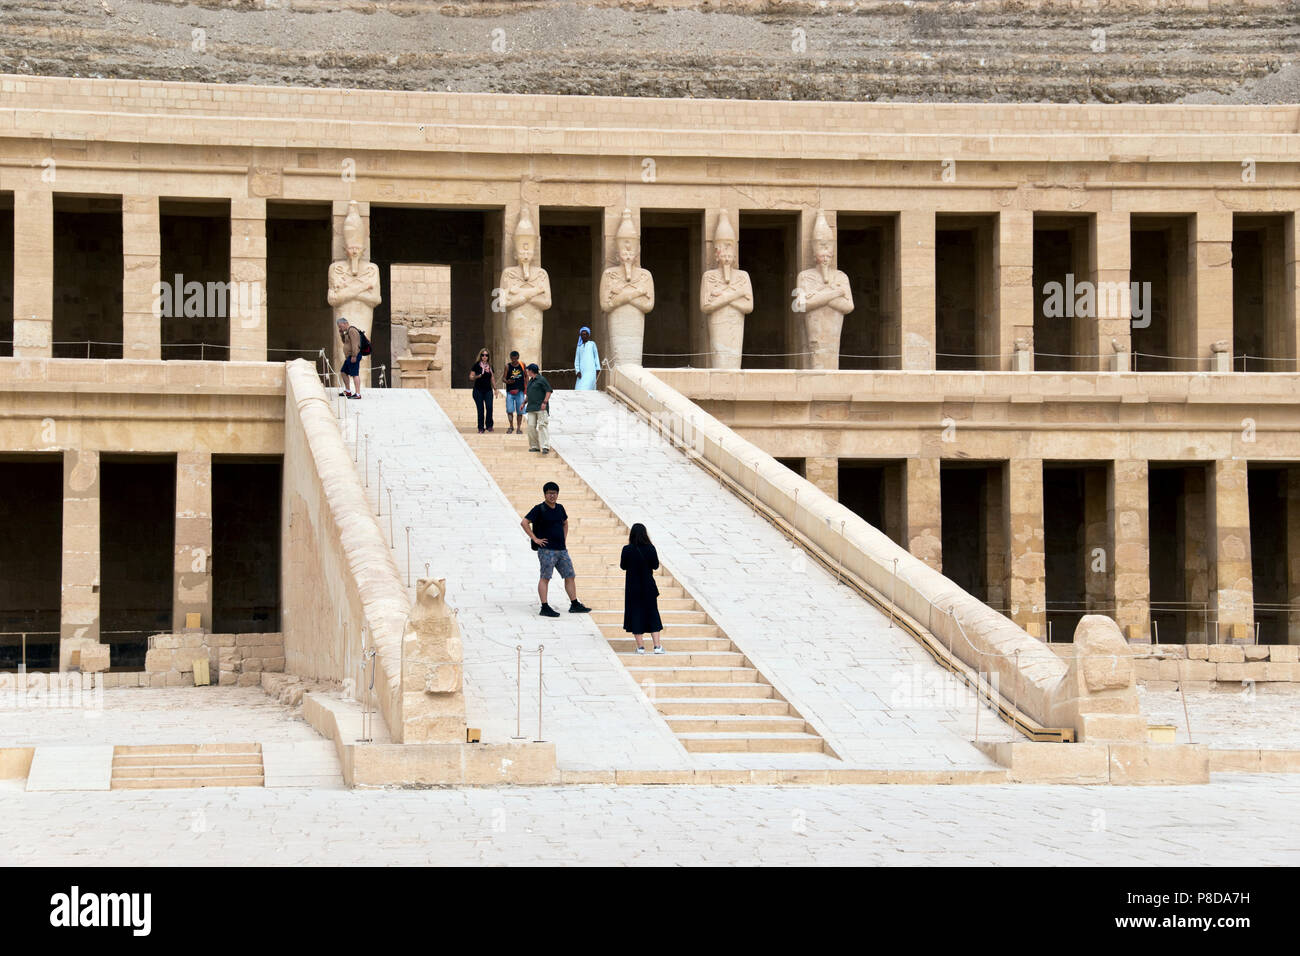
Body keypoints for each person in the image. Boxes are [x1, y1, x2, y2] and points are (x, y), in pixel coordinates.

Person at [521, 481, 591, 618]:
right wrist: (535, 539)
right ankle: (545, 606)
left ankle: (574, 604)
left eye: (554, 493)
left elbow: (565, 523)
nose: (552, 496)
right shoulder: (539, 508)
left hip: (561, 549)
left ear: (558, 494)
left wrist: (564, 538)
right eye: (549, 493)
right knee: (545, 577)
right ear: (545, 494)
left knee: (570, 575)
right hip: (546, 550)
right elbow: (524, 522)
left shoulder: (560, 508)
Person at [621, 523, 664, 654]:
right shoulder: (651, 548)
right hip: (648, 587)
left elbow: (623, 566)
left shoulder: (627, 549)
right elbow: (655, 566)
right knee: (652, 614)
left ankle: (640, 647)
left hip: (633, 588)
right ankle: (657, 646)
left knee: (635, 615)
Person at [468, 347, 501, 433]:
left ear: (488, 356)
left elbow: (492, 378)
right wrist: (477, 376)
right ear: (480, 356)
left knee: (489, 407)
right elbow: (470, 377)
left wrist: (495, 389)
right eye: (483, 355)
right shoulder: (476, 365)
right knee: (480, 409)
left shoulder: (490, 366)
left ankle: (489, 425)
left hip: (488, 390)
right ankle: (480, 427)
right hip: (478, 390)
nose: (484, 357)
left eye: (486, 355)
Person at [524, 362, 553, 455]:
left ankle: (545, 446)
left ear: (532, 371)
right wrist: (524, 402)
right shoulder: (530, 381)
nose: (527, 372)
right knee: (531, 427)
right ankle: (534, 446)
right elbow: (529, 394)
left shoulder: (541, 379)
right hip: (531, 407)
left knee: (542, 426)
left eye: (528, 370)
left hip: (541, 407)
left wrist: (545, 402)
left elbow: (549, 391)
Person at [502, 349, 527, 435]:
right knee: (509, 410)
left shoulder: (522, 365)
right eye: (512, 359)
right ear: (510, 358)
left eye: (515, 359)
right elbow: (503, 378)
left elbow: (526, 376)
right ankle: (511, 426)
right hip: (510, 392)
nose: (514, 360)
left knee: (520, 411)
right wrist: (508, 381)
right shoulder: (507, 366)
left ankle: (519, 428)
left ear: (518, 358)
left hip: (520, 391)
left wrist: (526, 388)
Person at [337, 317, 363, 399]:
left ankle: (358, 394)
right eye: (339, 327)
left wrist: (354, 355)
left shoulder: (352, 330)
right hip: (349, 356)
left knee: (355, 374)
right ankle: (348, 391)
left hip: (353, 356)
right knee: (343, 372)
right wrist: (341, 333)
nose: (340, 328)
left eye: (341, 326)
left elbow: (355, 344)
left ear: (345, 323)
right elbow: (345, 342)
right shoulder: (347, 332)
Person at [574, 326, 600, 390]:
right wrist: (577, 371)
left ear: (588, 335)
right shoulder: (579, 347)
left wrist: (598, 368)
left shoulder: (592, 344)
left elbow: (596, 356)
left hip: (591, 370)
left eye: (585, 334)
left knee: (589, 387)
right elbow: (577, 360)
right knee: (579, 388)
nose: (584, 336)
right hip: (582, 371)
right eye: (582, 335)